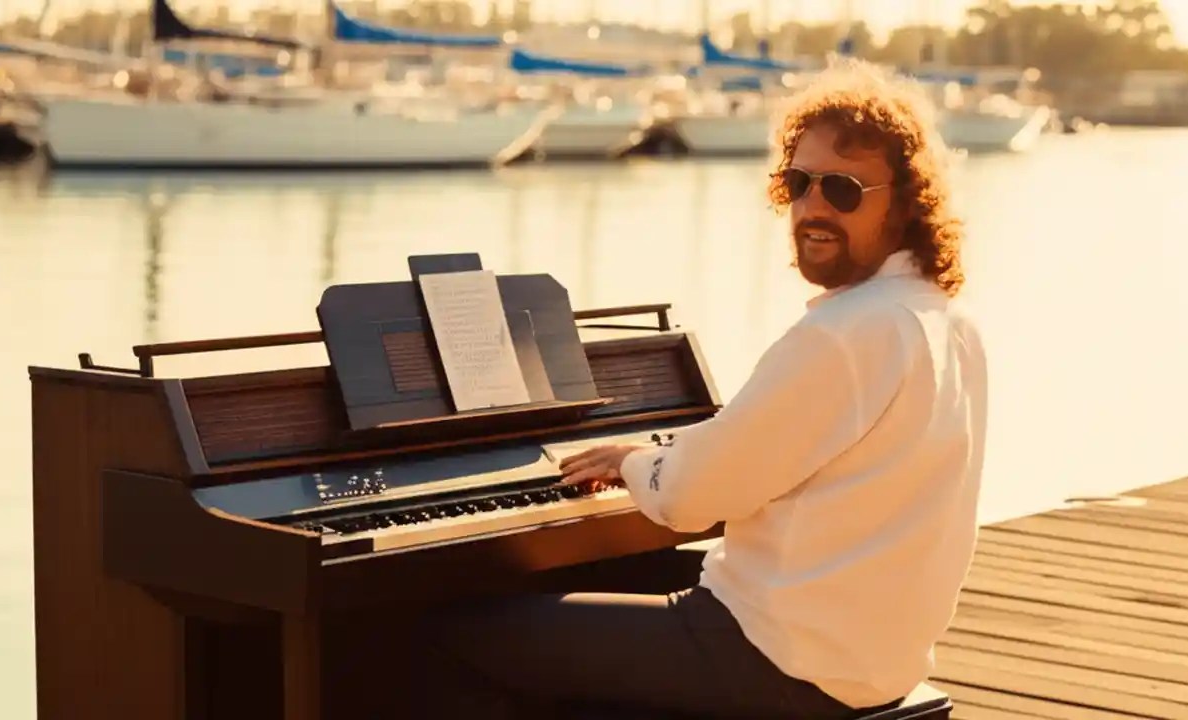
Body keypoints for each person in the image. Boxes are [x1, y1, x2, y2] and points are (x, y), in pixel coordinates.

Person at [410, 58, 988, 719]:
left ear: (908, 202)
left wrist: (635, 461)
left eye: (844, 190)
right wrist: (679, 453)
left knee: (451, 635)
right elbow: (768, 456)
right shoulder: (948, 322)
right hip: (873, 662)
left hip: (773, 657)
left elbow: (693, 495)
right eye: (798, 183)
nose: (813, 207)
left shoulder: (847, 334)